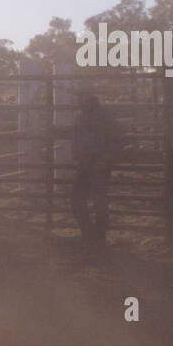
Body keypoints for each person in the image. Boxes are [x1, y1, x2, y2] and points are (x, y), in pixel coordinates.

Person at [70, 94, 123, 249]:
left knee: (97, 200)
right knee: (79, 199)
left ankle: (97, 237)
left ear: (90, 97)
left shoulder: (103, 116)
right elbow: (76, 137)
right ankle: (92, 234)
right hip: (86, 162)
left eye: (82, 96)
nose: (79, 99)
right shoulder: (81, 116)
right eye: (79, 96)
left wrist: (105, 160)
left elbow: (116, 139)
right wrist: (76, 152)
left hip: (98, 162)